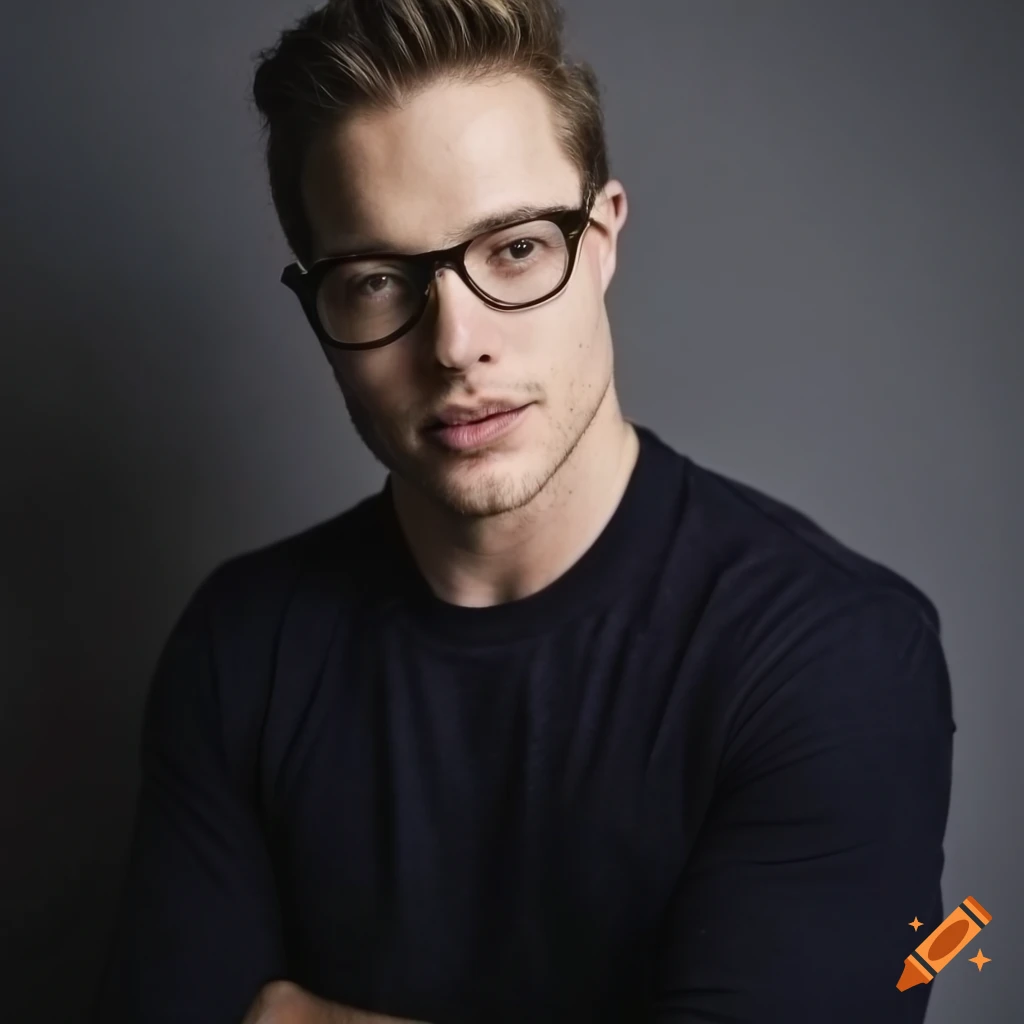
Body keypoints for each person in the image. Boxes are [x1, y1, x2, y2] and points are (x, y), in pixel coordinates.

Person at [92, 1, 955, 1022]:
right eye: (376, 279)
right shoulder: (242, 644)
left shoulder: (831, 653)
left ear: (600, 241)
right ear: (318, 311)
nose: (455, 343)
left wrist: (289, 1012)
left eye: (511, 250)